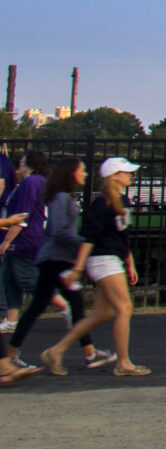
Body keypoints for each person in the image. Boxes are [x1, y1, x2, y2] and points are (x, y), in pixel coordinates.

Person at [40, 158, 148, 377]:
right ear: (114, 176)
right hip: (103, 260)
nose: (131, 175)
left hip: (112, 258)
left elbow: (121, 235)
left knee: (102, 313)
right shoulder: (102, 203)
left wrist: (130, 262)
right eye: (126, 172)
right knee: (125, 308)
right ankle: (123, 363)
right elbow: (90, 238)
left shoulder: (122, 200)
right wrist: (78, 269)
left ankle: (56, 351)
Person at [7, 157, 111, 376]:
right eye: (81, 170)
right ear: (70, 173)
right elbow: (58, 230)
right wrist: (83, 241)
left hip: (59, 259)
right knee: (42, 307)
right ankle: (10, 355)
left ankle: (89, 353)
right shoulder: (61, 198)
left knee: (71, 305)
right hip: (54, 260)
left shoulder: (64, 197)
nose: (85, 174)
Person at [1, 150, 49, 337]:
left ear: (29, 164)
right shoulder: (34, 182)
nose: (18, 165)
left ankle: (64, 301)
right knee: (9, 279)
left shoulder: (31, 182)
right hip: (25, 237)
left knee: (26, 279)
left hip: (25, 239)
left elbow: (21, 216)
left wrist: (7, 240)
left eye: (22, 162)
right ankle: (11, 320)